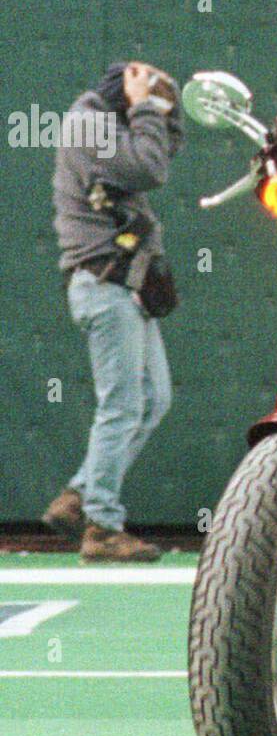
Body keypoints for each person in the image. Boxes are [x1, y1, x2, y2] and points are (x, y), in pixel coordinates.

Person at [43, 61, 183, 563]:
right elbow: (146, 169)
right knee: (123, 404)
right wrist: (145, 106)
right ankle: (101, 525)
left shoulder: (109, 125)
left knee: (153, 398)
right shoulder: (88, 124)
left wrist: (162, 110)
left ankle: (79, 494)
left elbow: (159, 157)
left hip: (126, 288)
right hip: (105, 284)